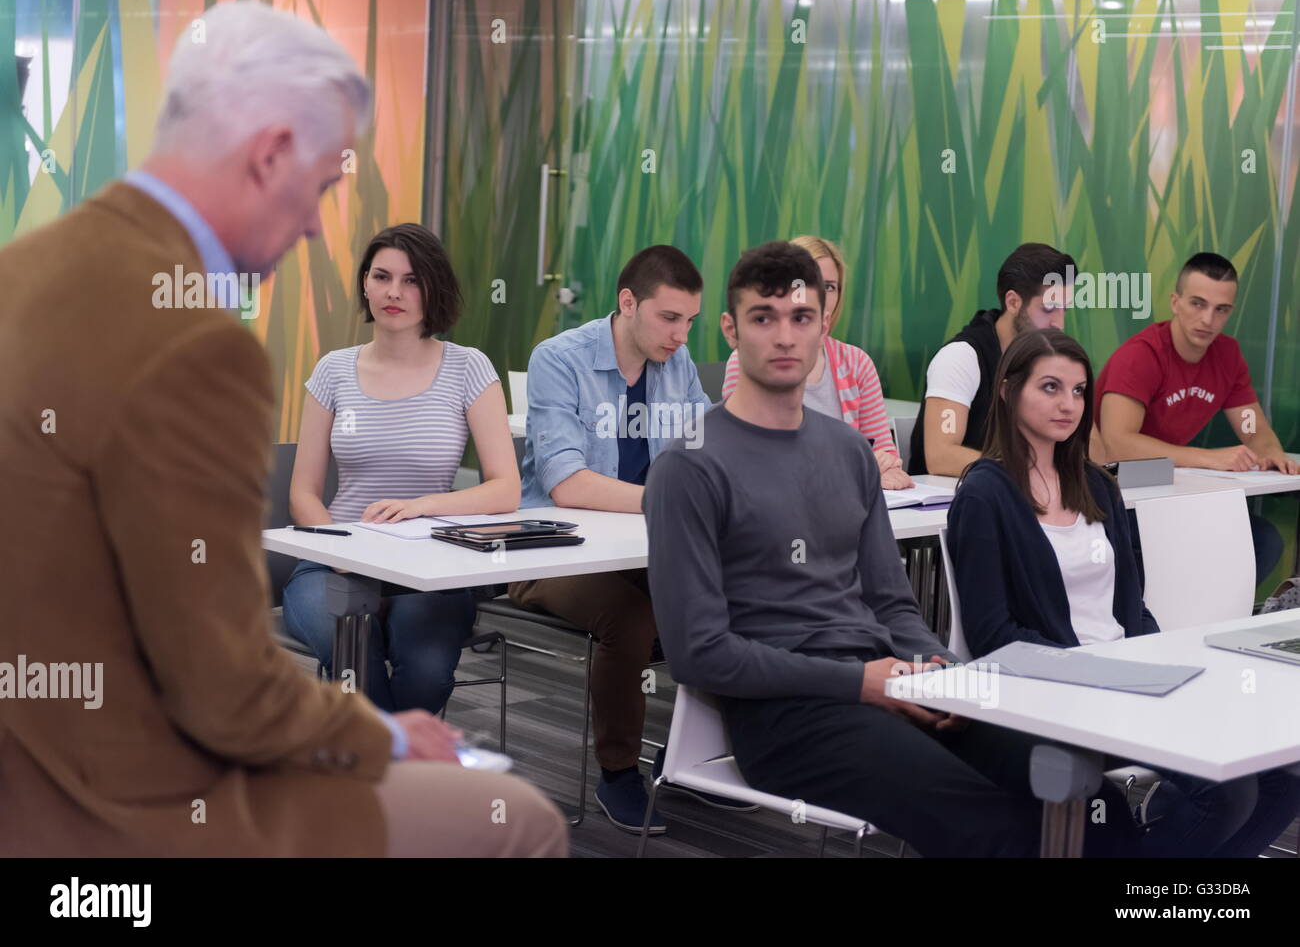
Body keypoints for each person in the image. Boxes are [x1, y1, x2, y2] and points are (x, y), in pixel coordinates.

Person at [0, 0, 565, 857]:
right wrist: (383, 737)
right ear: (269, 154)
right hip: (123, 794)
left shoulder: (23, 271)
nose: (311, 226)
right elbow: (224, 687)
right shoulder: (199, 342)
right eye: (324, 187)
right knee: (521, 816)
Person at [643, 241, 1139, 857]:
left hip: (895, 684)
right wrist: (862, 684)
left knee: (1088, 795)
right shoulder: (687, 467)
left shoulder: (850, 452)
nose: (784, 337)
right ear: (729, 329)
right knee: (999, 825)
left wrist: (935, 669)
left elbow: (892, 602)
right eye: (762, 318)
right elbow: (699, 655)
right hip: (790, 717)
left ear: (824, 320)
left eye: (801, 318)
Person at [947, 328, 1300, 856]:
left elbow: (1133, 606)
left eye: (1078, 390)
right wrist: (1097, 671)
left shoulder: (1097, 486)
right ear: (1007, 391)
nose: (1068, 404)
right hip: (1057, 693)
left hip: (1126, 681)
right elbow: (993, 636)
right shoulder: (984, 494)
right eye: (1049, 388)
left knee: (1280, 780)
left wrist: (1152, 665)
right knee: (1222, 797)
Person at [510, 245, 746, 833]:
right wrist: (670, 502)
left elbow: (704, 451)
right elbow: (566, 483)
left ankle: (692, 759)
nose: (681, 336)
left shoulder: (678, 365)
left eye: (690, 321)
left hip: (644, 546)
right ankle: (618, 773)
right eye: (669, 318)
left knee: (740, 595)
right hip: (551, 550)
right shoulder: (559, 359)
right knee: (632, 618)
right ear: (627, 303)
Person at [283, 223, 520, 714]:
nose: (394, 292)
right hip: (336, 560)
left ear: (433, 289)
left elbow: (505, 490)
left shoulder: (468, 368)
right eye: (382, 276)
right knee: (354, 658)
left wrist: (421, 507)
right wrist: (341, 551)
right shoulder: (332, 371)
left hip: (431, 566)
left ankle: (382, 772)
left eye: (412, 280)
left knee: (428, 671)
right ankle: (398, 777)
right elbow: (303, 494)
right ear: (364, 285)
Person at [1096, 252, 1295, 586]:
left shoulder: (1227, 356)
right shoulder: (1141, 355)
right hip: (1114, 497)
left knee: (1263, 542)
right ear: (1175, 302)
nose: (1208, 320)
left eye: (1221, 310)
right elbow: (1117, 443)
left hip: (1172, 495)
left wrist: (1269, 449)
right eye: (1197, 304)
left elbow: (1250, 425)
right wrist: (1209, 458)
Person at [721, 235, 912, 489]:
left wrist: (876, 469)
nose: (820, 295)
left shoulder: (857, 362)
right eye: (808, 284)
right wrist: (856, 468)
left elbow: (886, 456)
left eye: (830, 286)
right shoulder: (748, 360)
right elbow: (751, 460)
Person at [910, 243, 1077, 477]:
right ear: (1013, 302)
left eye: (1065, 309)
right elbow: (941, 457)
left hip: (1019, 496)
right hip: (948, 505)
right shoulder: (960, 357)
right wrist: (1030, 471)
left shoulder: (1051, 360)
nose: (1058, 323)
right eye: (1049, 308)